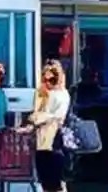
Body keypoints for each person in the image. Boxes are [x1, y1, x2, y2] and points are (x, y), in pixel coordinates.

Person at [31, 60, 72, 192]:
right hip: (43, 142)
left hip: (52, 141)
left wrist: (39, 118)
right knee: (48, 183)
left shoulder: (60, 95)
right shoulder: (47, 94)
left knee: (54, 183)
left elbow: (54, 116)